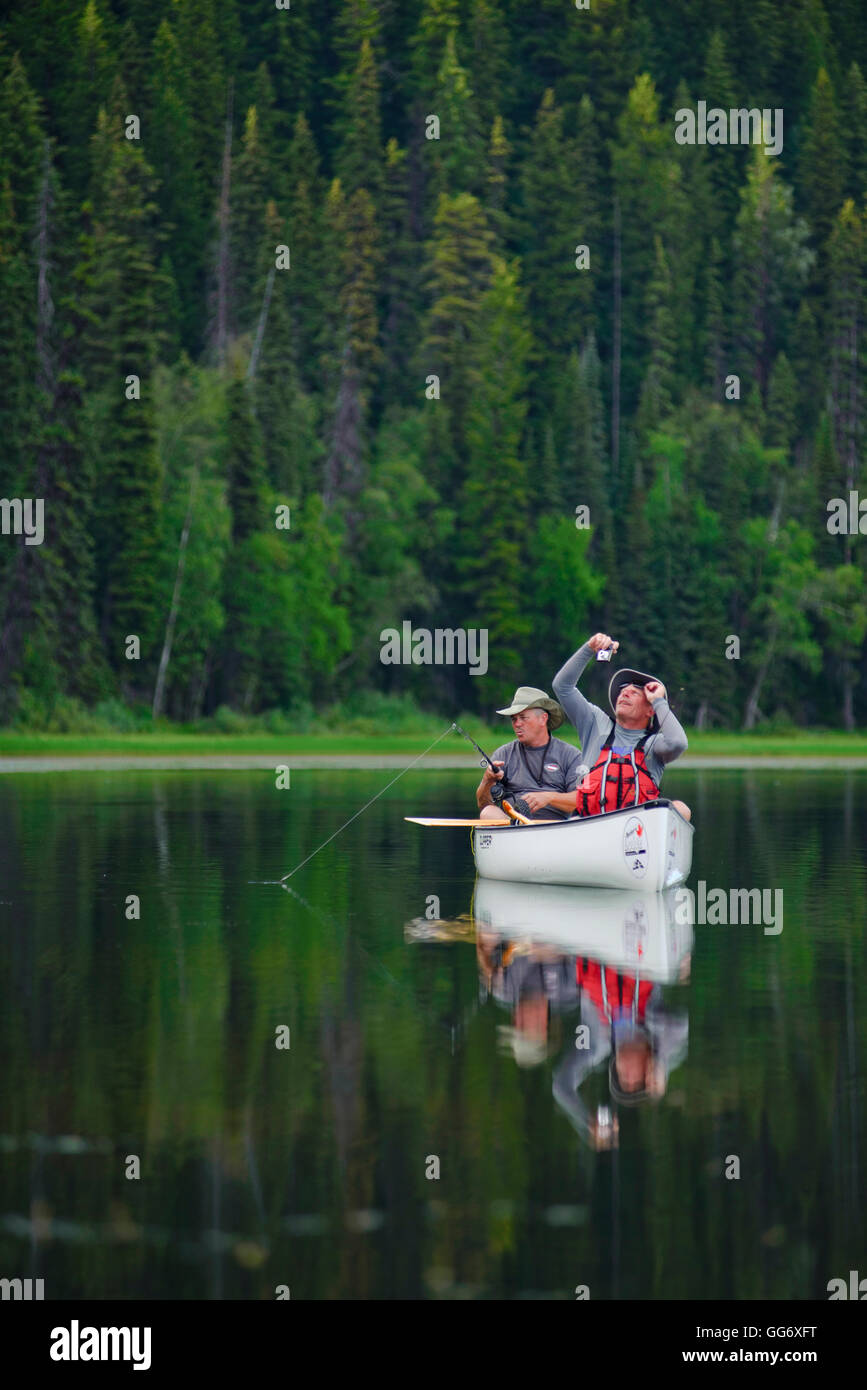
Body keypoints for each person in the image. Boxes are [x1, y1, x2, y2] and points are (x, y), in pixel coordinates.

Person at [519, 634, 691, 821]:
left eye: (634, 693)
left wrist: (658, 701)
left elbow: (678, 743)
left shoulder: (654, 744)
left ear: (650, 711)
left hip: (637, 830)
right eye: (623, 691)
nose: (624, 694)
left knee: (681, 809)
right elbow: (562, 686)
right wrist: (589, 649)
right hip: (588, 825)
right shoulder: (595, 724)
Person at [476, 686, 584, 822]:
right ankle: (517, 829)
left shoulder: (570, 755)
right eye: (514, 719)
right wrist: (487, 780)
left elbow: (581, 799)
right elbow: (483, 804)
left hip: (555, 828)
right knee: (487, 812)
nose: (517, 724)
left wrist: (548, 797)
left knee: (577, 819)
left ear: (543, 719)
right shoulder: (503, 754)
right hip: (511, 827)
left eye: (523, 717)